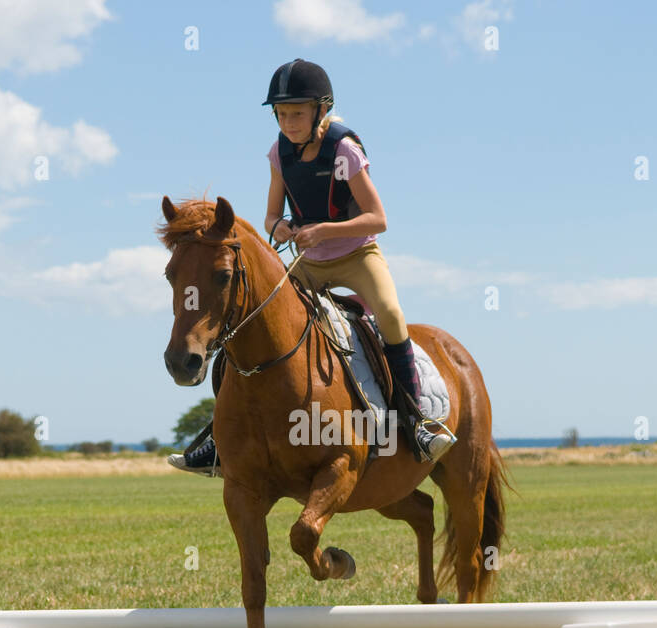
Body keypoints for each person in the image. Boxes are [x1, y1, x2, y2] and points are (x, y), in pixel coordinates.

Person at [170, 58, 455, 477]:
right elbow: (269, 217)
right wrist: (280, 226)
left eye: (297, 113)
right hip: (307, 262)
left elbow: (379, 219)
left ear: (322, 110)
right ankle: (218, 437)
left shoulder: (344, 150)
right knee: (247, 322)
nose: (288, 122)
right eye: (281, 114)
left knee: (392, 316)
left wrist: (324, 230)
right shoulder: (279, 153)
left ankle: (415, 421)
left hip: (357, 256)